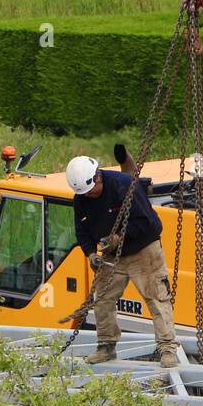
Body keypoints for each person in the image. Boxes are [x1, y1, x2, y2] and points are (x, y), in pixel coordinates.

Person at [67, 150, 179, 368]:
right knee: (103, 299)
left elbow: (147, 223)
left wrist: (120, 238)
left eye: (91, 191)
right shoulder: (81, 198)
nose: (89, 196)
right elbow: (81, 231)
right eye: (85, 193)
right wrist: (90, 253)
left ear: (98, 176)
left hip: (143, 250)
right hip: (111, 255)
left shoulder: (124, 186)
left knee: (156, 297)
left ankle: (167, 349)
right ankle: (106, 346)